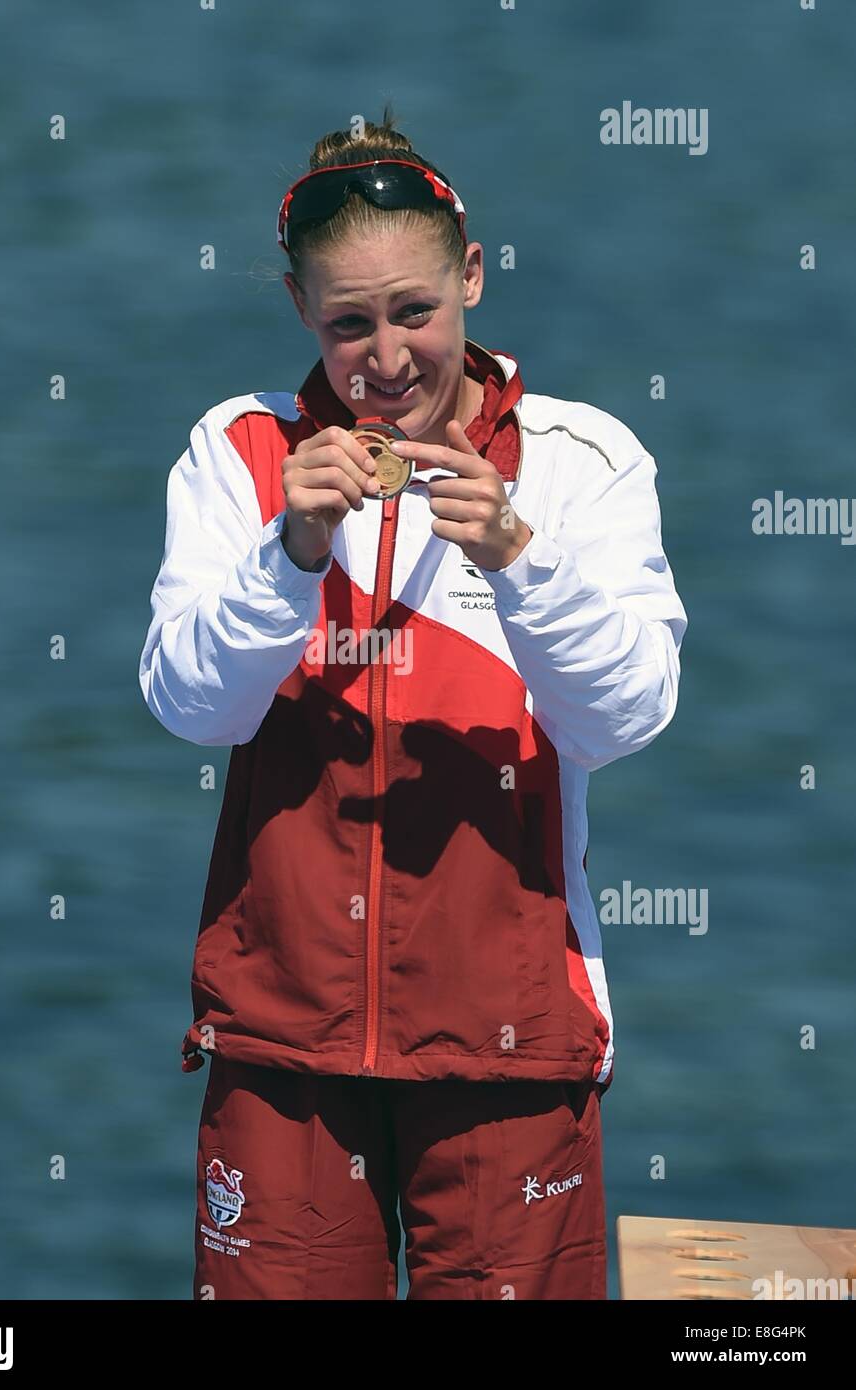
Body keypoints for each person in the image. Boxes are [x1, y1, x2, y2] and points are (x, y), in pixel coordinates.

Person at [138, 111, 688, 1300]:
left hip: (511, 1047)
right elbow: (191, 705)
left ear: (472, 277)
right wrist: (290, 549)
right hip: (283, 1044)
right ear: (300, 310)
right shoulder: (239, 454)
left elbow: (628, 715)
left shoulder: (581, 462)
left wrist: (518, 556)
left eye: (414, 313)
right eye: (347, 323)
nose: (382, 359)